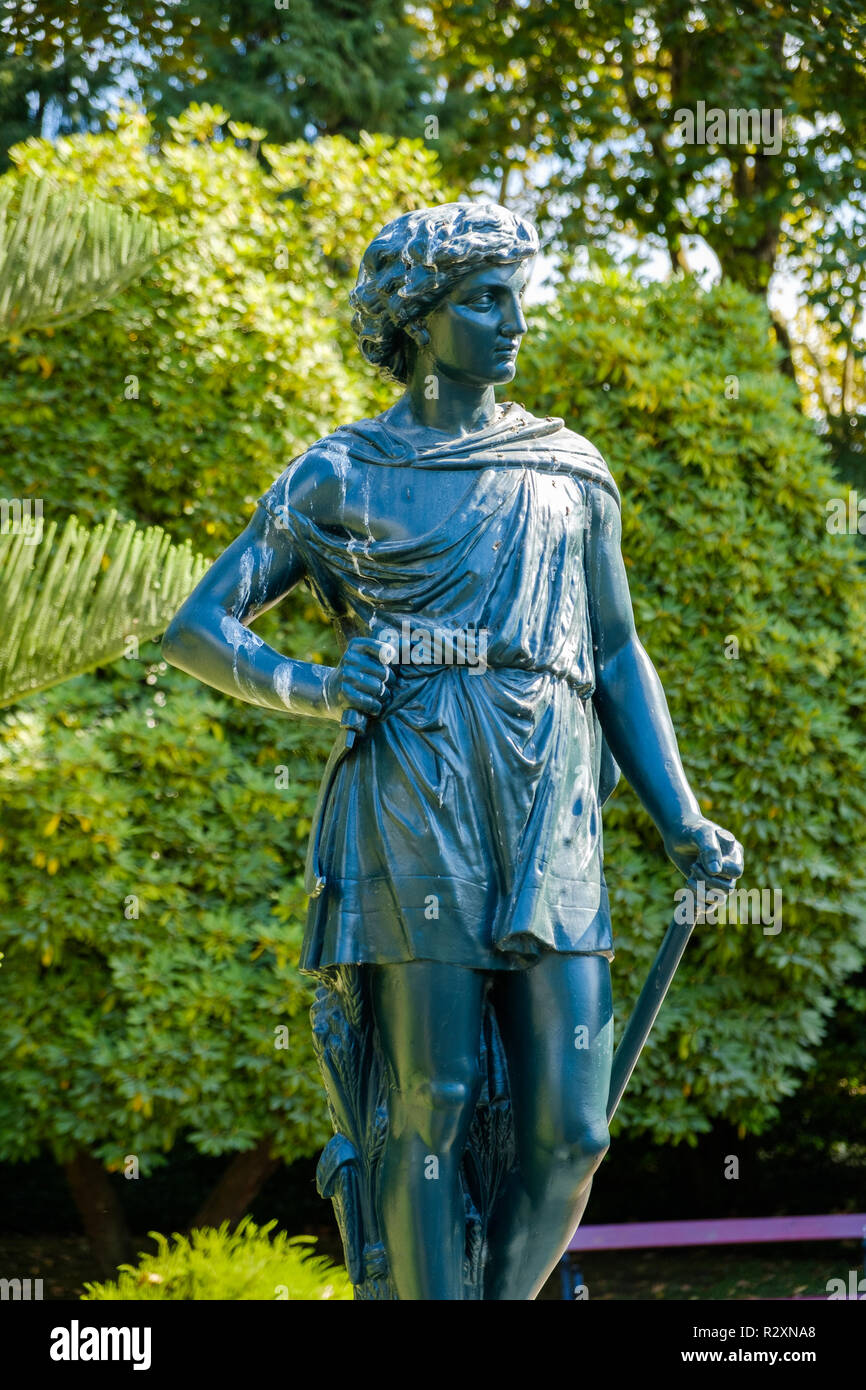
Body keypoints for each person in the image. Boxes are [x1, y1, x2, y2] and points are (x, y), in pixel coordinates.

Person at [163, 201, 743, 1301]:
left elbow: (616, 656)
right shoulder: (341, 473)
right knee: (427, 1099)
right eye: (482, 298)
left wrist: (678, 814)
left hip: (549, 805)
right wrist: (314, 684)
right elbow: (198, 624)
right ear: (416, 320)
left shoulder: (568, 469)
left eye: (515, 294)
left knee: (572, 1131)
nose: (512, 319)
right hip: (409, 800)